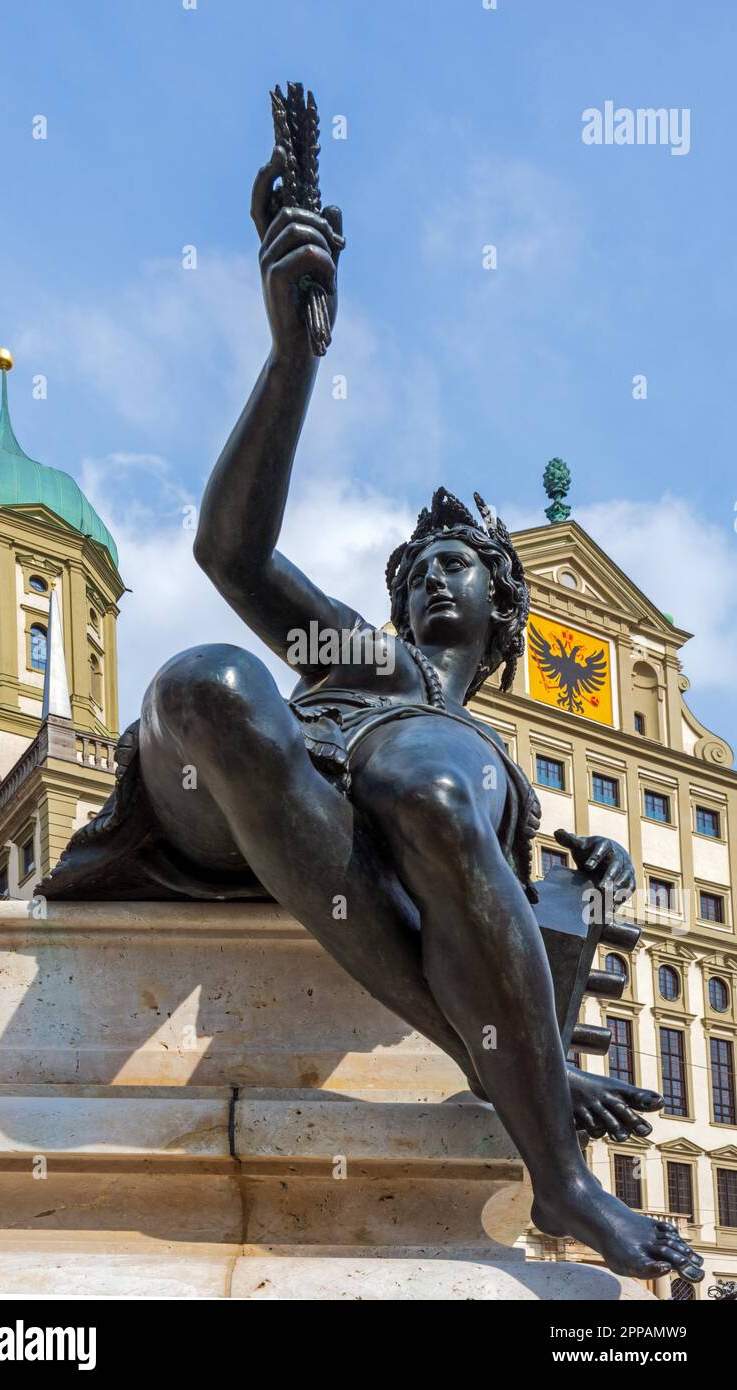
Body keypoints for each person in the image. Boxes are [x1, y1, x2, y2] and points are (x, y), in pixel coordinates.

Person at [43, 147, 702, 1283]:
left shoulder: (492, 771)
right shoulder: (362, 654)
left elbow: (524, 943)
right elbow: (229, 552)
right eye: (421, 564)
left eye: (464, 563)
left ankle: (562, 1181)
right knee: (212, 684)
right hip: (240, 797)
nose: (437, 574)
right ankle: (552, 1154)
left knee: (433, 783)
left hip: (385, 833)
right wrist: (292, 357)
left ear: (506, 617)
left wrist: (590, 886)